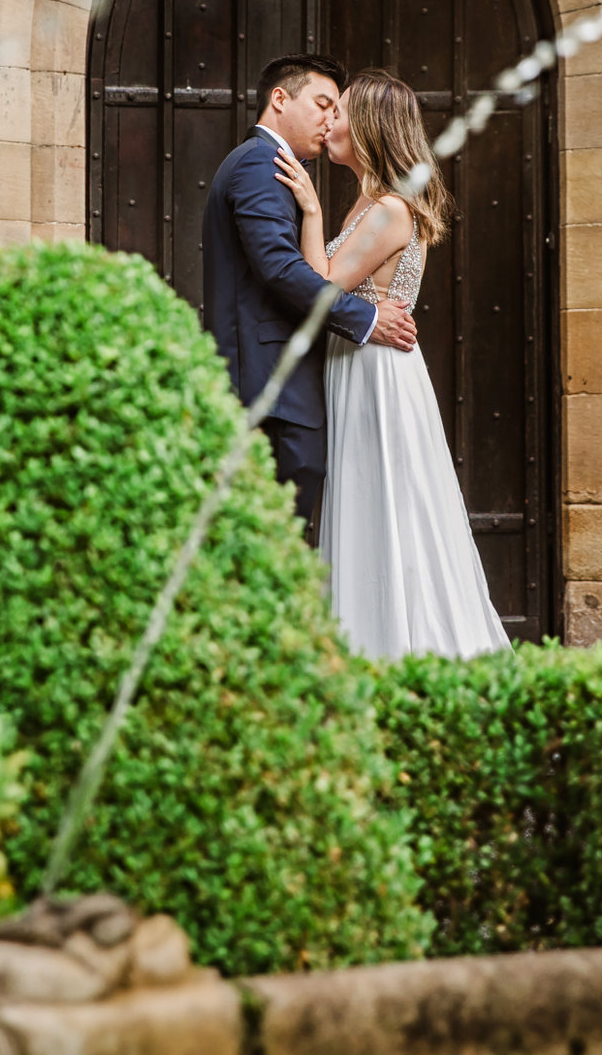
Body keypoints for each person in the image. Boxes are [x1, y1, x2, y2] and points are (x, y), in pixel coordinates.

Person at [273, 69, 510, 660]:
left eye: (342, 110)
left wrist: (309, 212)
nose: (330, 121)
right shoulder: (368, 203)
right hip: (360, 362)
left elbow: (323, 285)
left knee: (389, 502)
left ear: (371, 126)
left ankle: (400, 648)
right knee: (374, 501)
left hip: (375, 372)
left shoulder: (388, 210)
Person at [201, 54, 419, 544]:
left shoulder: (278, 168)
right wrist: (365, 318)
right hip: (270, 391)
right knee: (275, 541)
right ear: (280, 99)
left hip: (291, 388)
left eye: (335, 110)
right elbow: (282, 270)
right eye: (323, 104)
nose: (330, 120)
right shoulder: (261, 164)